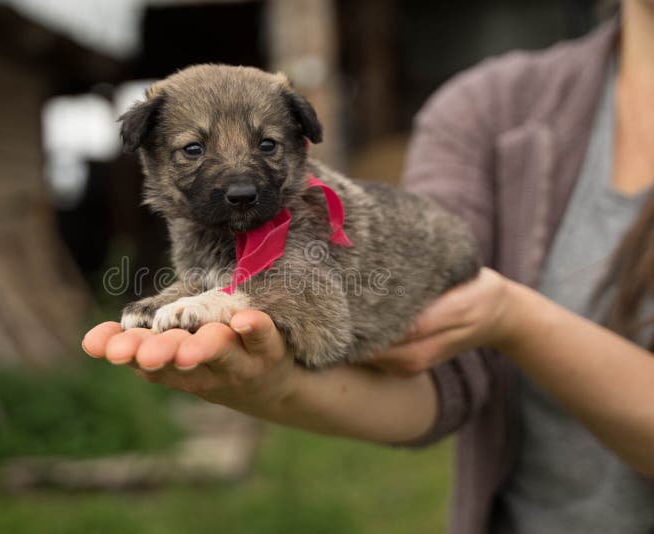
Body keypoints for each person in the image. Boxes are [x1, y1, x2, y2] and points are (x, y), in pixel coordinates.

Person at [83, 2, 654, 532]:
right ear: (148, 150)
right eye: (193, 150)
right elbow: (453, 383)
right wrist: (253, 367)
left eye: (267, 146)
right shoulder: (485, 103)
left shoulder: (307, 219)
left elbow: (316, 318)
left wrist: (219, 303)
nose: (238, 180)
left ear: (301, 144)